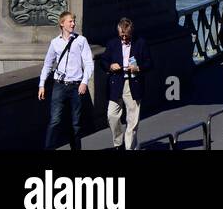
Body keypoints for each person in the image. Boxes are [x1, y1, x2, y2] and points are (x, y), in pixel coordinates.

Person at [38, 11, 94, 150]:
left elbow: (89, 63)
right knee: (55, 121)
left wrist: (84, 82)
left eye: (74, 21)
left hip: (76, 86)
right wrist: (42, 85)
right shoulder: (55, 43)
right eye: (70, 21)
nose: (73, 24)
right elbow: (47, 64)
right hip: (60, 86)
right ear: (62, 23)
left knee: (75, 124)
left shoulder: (81, 41)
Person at [100, 18, 151, 150]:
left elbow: (149, 63)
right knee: (112, 115)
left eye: (126, 36)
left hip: (133, 83)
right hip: (116, 83)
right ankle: (118, 143)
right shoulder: (112, 44)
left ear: (131, 32)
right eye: (121, 35)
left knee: (132, 120)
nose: (124, 38)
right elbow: (103, 61)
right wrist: (111, 66)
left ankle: (129, 147)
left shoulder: (141, 43)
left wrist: (138, 68)